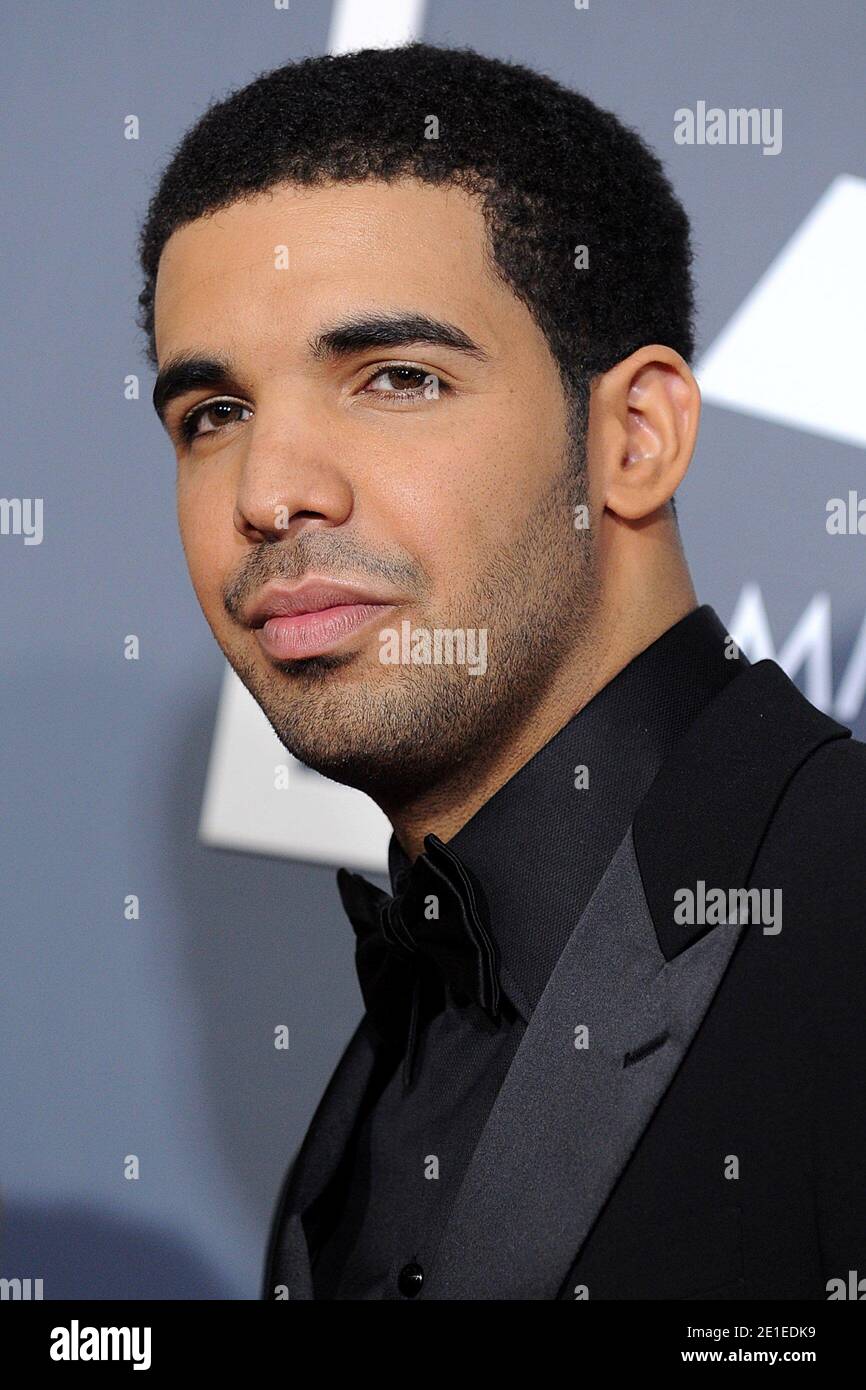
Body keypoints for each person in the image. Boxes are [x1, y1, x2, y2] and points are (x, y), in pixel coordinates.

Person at [138, 43, 866, 1300]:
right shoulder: (398, 1037)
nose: (269, 495)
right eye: (214, 413)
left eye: (397, 379)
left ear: (631, 439)